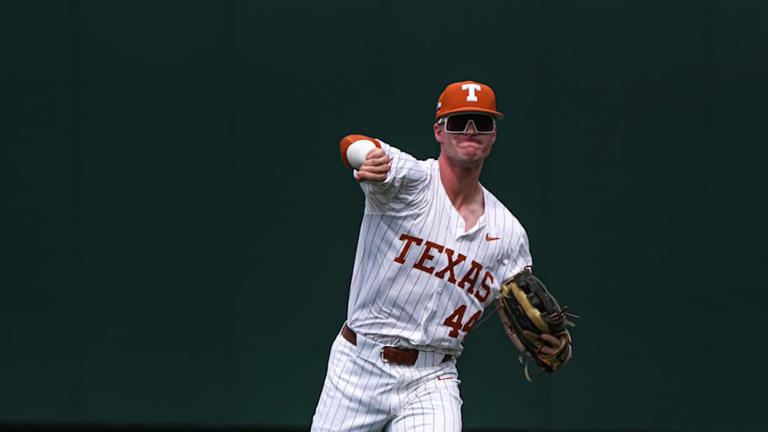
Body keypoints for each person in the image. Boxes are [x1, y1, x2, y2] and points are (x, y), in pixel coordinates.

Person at [311, 80, 568, 431]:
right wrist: (364, 156)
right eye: (459, 122)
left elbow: (514, 309)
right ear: (439, 131)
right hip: (359, 364)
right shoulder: (409, 182)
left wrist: (547, 346)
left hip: (433, 376)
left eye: (482, 123)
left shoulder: (509, 233)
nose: (471, 130)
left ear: (494, 135)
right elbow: (353, 143)